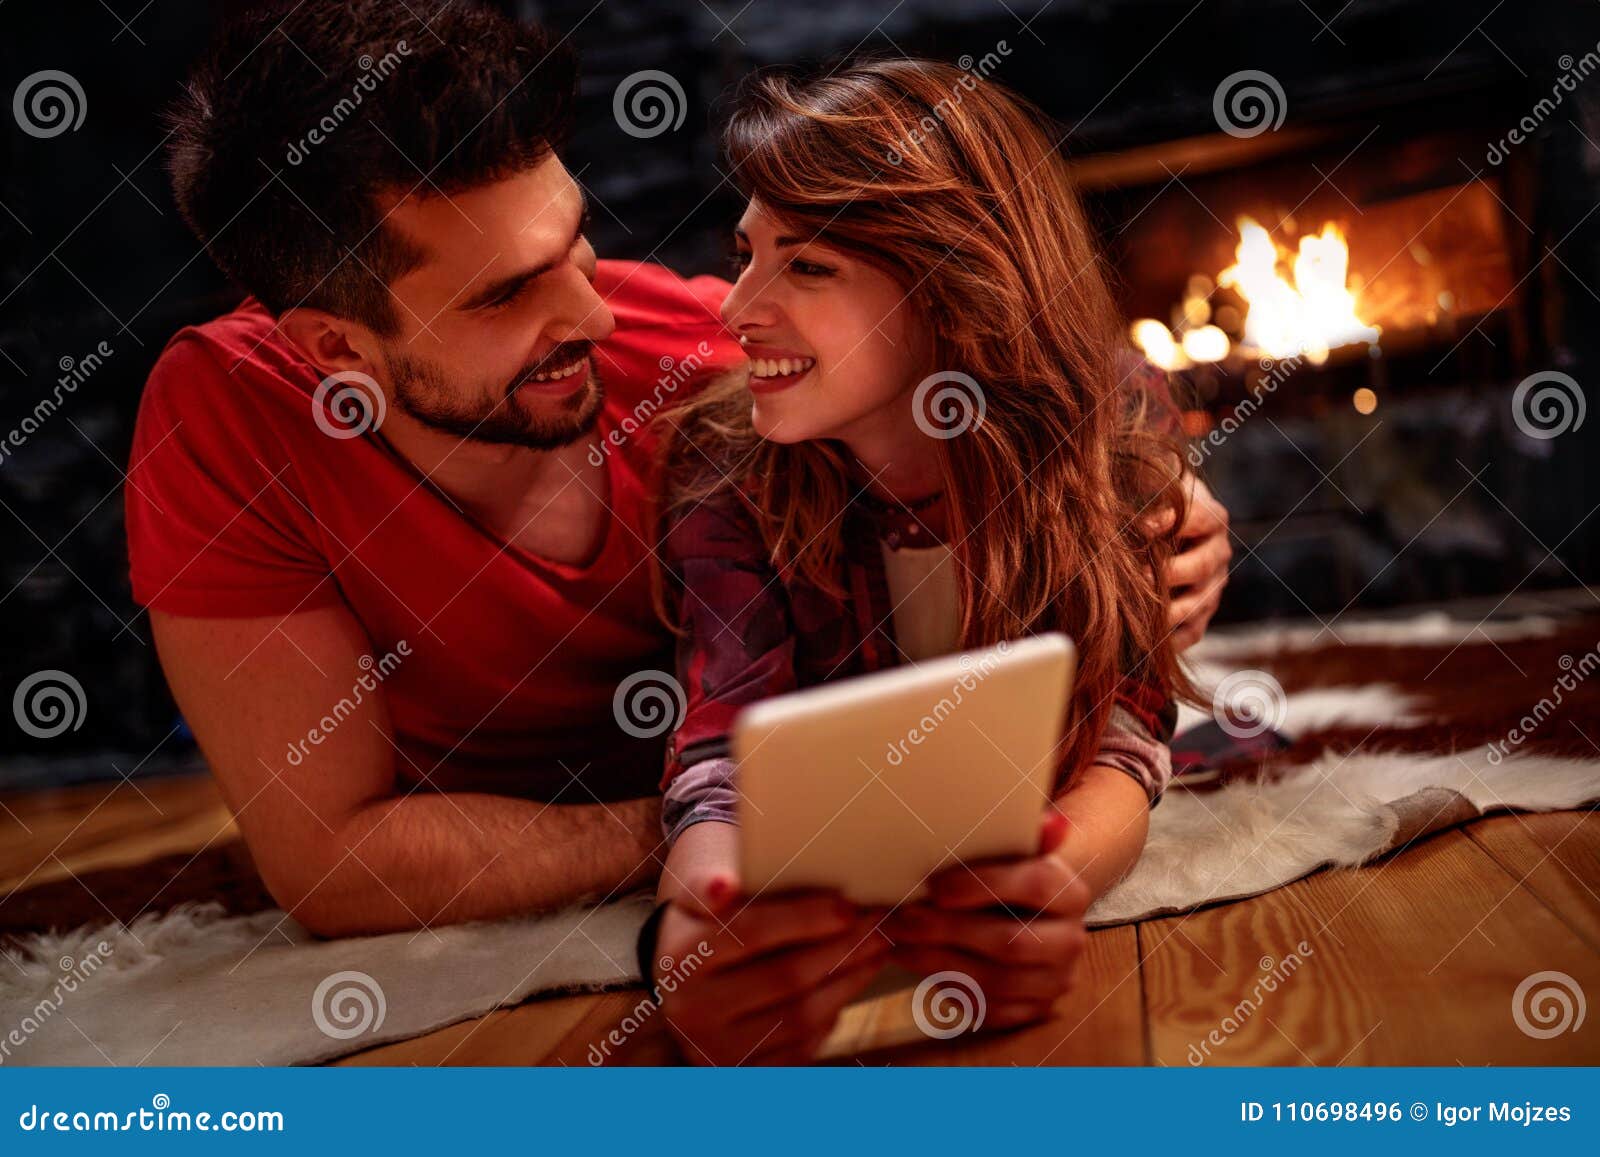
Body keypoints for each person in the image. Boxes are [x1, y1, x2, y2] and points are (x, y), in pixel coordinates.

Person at [127, 1, 1228, 943]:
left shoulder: (710, 369)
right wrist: (771, 829)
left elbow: (1015, 336)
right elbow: (334, 862)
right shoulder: (228, 418)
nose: (596, 315)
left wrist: (1154, 494)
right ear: (334, 349)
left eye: (575, 242)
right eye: (506, 294)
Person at [645, 60, 1211, 1064]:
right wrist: (702, 919)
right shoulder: (723, 461)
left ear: (953, 284)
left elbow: (1131, 718)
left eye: (806, 267)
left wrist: (1046, 879)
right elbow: (716, 744)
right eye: (746, 254)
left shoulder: (1114, 416)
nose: (736, 308)